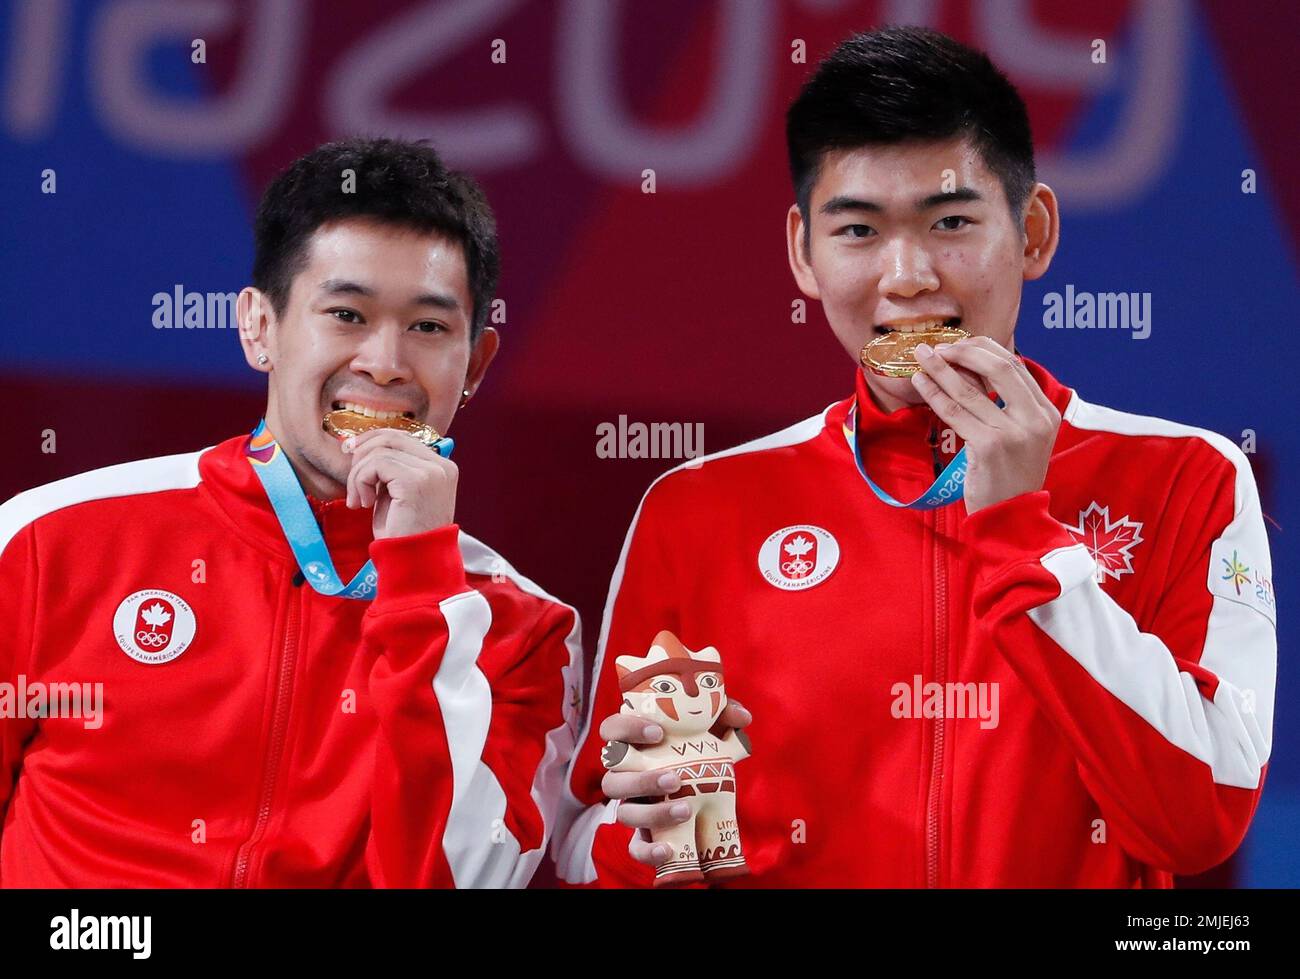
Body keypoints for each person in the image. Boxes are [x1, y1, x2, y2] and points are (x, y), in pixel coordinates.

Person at [553, 27, 1276, 887]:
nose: (906, 277)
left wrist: (1024, 537)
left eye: (952, 223)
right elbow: (600, 832)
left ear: (1034, 232)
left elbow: (1200, 819)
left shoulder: (1186, 477)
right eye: (858, 230)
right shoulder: (698, 506)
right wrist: (657, 843)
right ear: (804, 255)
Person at [0, 137, 582, 887]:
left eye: (429, 327)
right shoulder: (49, 539)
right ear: (259, 327)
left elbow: (458, 876)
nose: (384, 361)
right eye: (346, 313)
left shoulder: (525, 630)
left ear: (475, 365)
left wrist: (421, 582)